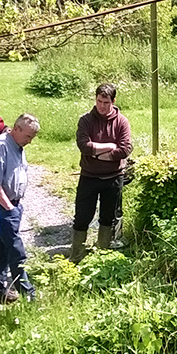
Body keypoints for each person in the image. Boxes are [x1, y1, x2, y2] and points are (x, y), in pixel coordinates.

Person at [70, 84, 132, 263]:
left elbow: (125, 149)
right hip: (89, 176)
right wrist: (110, 147)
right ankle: (76, 256)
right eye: (99, 101)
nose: (102, 106)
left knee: (107, 218)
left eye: (106, 102)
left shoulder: (122, 122)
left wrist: (97, 154)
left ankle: (101, 257)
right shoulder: (86, 120)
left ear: (113, 101)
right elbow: (84, 146)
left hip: (113, 177)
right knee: (82, 217)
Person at [0, 114, 40, 304]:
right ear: (16, 129)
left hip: (13, 204)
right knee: (16, 251)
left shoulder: (18, 145)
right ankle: (28, 294)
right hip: (2, 206)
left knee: (2, 249)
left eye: (32, 137)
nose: (30, 141)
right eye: (28, 136)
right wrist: (9, 208)